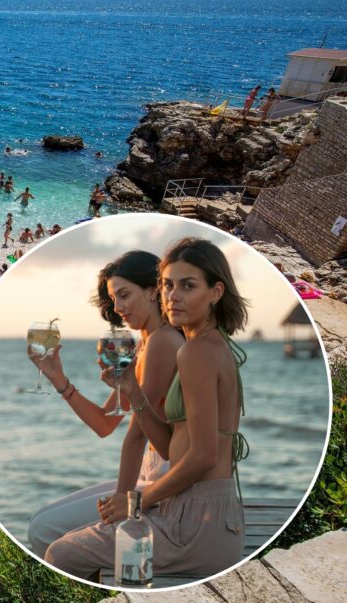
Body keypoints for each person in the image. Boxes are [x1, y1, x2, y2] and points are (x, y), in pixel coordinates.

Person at [45, 238, 249, 579]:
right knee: (90, 553)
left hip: (194, 525)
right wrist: (131, 389)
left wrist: (133, 502)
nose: (173, 296)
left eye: (187, 286)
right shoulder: (203, 345)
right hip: (199, 515)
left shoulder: (193, 351)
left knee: (57, 553)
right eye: (169, 285)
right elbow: (171, 447)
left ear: (216, 292)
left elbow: (202, 457)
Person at [26, 251, 183, 557]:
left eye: (124, 295)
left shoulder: (163, 341)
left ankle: (105, 573)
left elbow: (137, 435)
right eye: (113, 298)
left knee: (42, 531)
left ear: (153, 290)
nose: (117, 307)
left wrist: (124, 501)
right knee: (39, 521)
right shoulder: (145, 344)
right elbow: (104, 423)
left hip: (168, 485)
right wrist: (58, 377)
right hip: (150, 476)